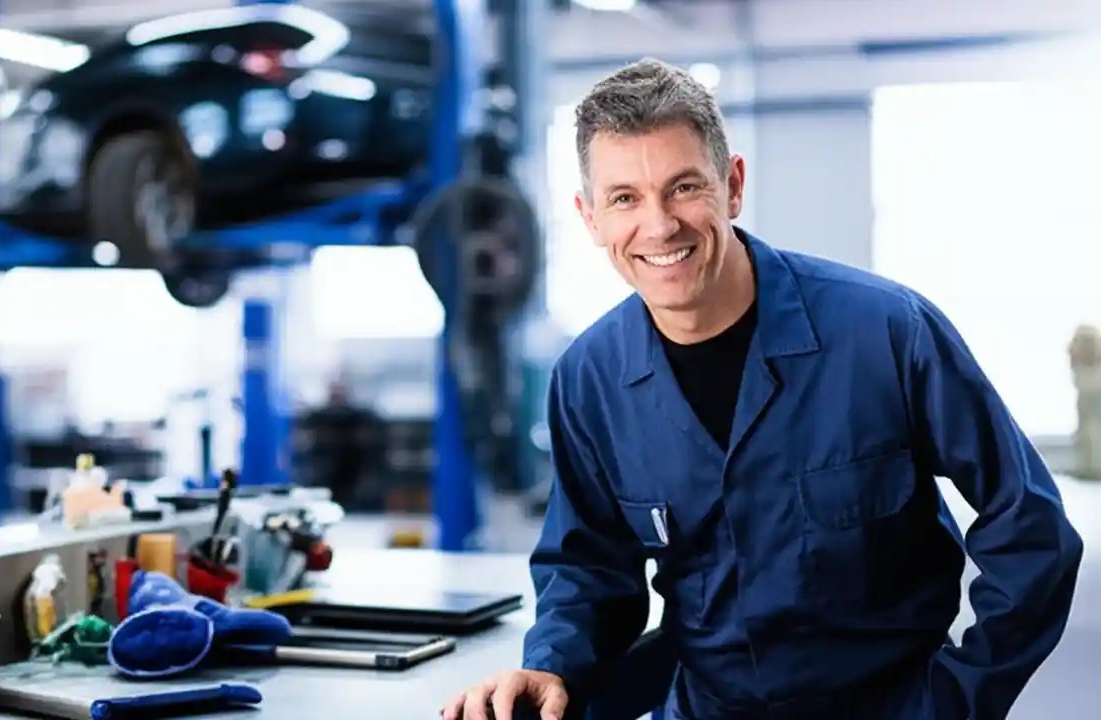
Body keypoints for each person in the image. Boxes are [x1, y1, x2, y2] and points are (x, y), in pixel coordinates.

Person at [441, 59, 1084, 720]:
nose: (659, 226)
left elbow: (1030, 527)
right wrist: (550, 666)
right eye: (624, 198)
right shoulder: (589, 379)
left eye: (684, 186)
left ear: (733, 185)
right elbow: (589, 570)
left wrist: (959, 697)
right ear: (590, 217)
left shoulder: (887, 332)